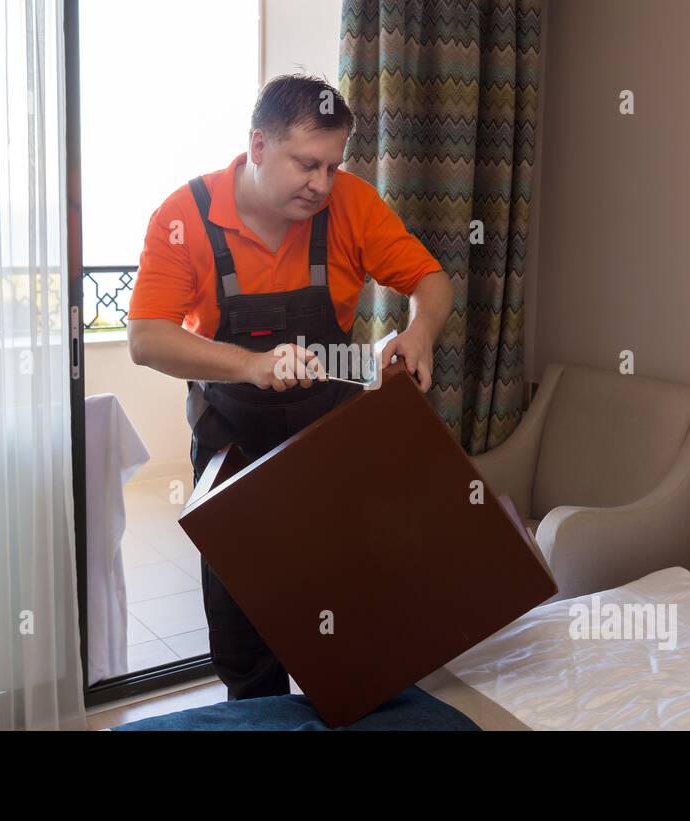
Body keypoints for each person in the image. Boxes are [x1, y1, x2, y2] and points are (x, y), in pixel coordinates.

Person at [126, 74, 454, 700]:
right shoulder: (183, 217)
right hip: (232, 440)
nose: (322, 184)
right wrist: (250, 365)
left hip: (330, 434)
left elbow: (431, 281)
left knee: (350, 601)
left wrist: (419, 334)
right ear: (257, 144)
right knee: (243, 620)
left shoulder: (352, 204)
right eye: (307, 164)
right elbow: (145, 339)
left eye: (333, 166)